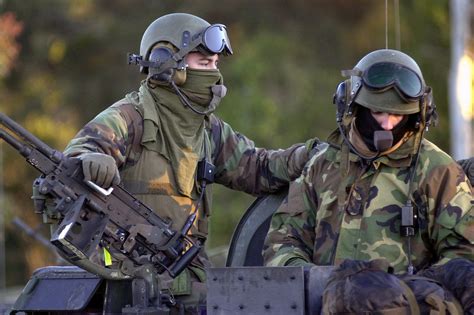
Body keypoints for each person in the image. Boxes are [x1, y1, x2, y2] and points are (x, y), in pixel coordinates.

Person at [59, 12, 313, 313]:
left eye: (216, 64)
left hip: (186, 278)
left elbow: (257, 169)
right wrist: (92, 160)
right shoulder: (129, 117)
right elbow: (77, 158)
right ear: (169, 65)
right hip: (127, 282)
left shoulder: (208, 129)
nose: (215, 75)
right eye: (204, 63)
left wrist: (309, 156)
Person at [263, 49, 474, 313]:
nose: (387, 124)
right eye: (377, 112)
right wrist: (316, 283)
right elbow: (283, 240)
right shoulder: (323, 166)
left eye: (398, 115)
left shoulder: (437, 171)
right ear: (353, 106)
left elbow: (464, 258)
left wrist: (404, 291)